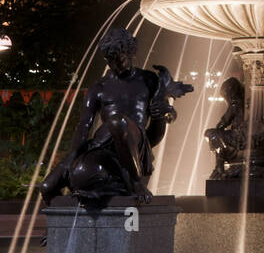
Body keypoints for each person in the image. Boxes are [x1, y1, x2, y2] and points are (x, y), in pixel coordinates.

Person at [41, 27, 192, 205]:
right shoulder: (99, 87)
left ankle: (136, 182)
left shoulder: (148, 79)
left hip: (135, 141)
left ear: (130, 52)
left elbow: (167, 113)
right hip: (101, 145)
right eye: (109, 61)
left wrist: (168, 115)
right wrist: (72, 157)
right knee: (46, 186)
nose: (115, 66)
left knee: (117, 122)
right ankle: (57, 228)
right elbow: (84, 126)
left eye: (119, 60)